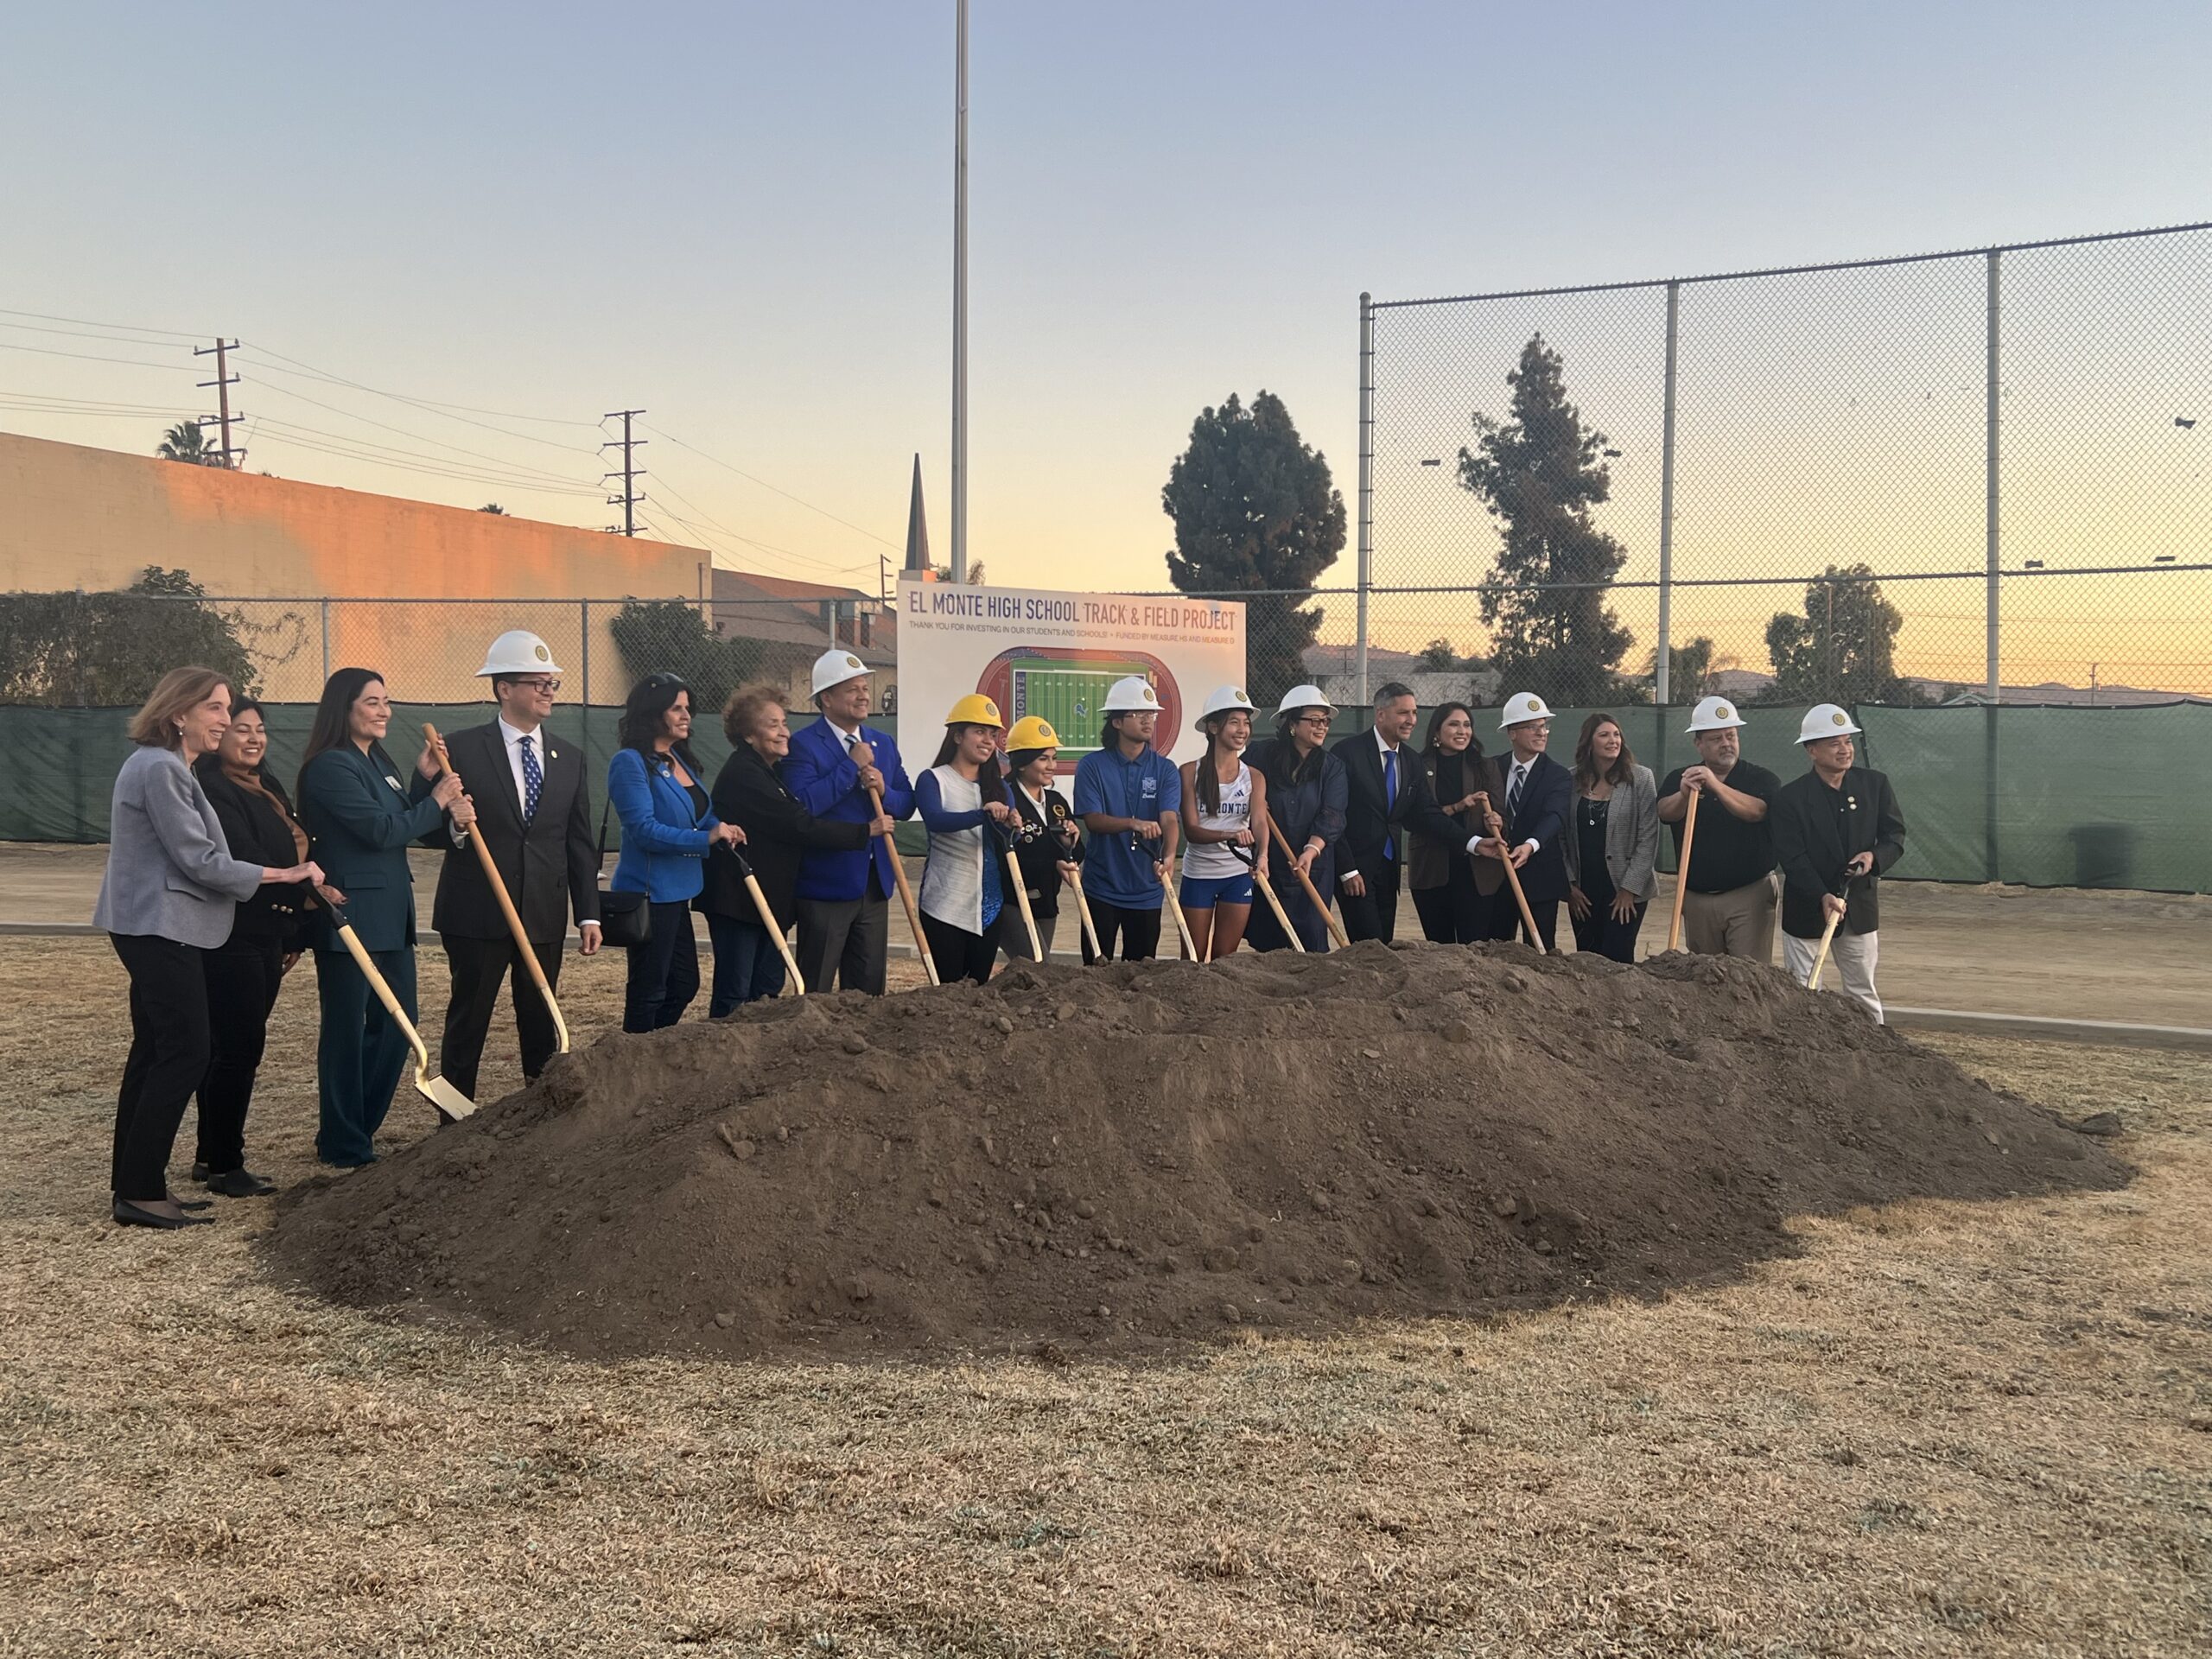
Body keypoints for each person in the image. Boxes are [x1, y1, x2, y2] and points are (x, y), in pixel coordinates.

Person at [93, 668, 325, 1226]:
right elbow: (199, 859)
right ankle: (139, 1191)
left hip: (159, 925)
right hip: (158, 926)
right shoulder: (160, 768)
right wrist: (285, 874)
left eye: (226, 707)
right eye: (215, 708)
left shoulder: (171, 767)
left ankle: (135, 1183)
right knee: (186, 1052)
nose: (226, 719)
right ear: (179, 714)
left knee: (155, 1051)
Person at [296, 667, 467, 1168]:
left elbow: (404, 816)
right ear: (344, 707)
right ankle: (344, 1142)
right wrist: (438, 799)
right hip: (350, 916)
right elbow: (379, 830)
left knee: (399, 1025)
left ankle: (356, 1128)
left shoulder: (378, 760)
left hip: (390, 915)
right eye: (372, 702)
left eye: (387, 701)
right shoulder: (330, 766)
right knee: (347, 1031)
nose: (384, 711)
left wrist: (425, 780)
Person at [429, 631, 601, 1103]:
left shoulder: (570, 759)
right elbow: (426, 827)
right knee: (468, 1023)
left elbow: (578, 842)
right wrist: (456, 826)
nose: (548, 692)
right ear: (504, 689)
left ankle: (538, 1120)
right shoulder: (459, 750)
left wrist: (588, 913)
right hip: (477, 913)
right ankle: (454, 1121)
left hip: (543, 912)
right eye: (537, 683)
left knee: (540, 1024)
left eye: (552, 684)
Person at [191, 696, 318, 1196]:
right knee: (238, 1049)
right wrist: (299, 889)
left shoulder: (265, 785)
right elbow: (246, 858)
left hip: (270, 930)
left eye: (259, 729)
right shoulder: (213, 789)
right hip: (235, 934)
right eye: (240, 729)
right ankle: (226, 1165)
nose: (253, 738)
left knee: (234, 1046)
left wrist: (294, 931)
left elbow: (297, 849)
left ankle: (210, 1154)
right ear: (217, 735)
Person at [700, 683, 884, 1013]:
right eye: (773, 725)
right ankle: (728, 1044)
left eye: (784, 723)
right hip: (739, 900)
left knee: (767, 987)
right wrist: (864, 831)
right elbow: (798, 824)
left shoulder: (772, 771)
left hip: (770, 899)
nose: (784, 732)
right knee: (736, 991)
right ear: (748, 735)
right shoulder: (744, 773)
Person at [606, 672, 744, 1033]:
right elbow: (644, 830)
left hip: (680, 892)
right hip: (650, 892)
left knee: (683, 983)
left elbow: (699, 814)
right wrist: (705, 839)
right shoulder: (630, 763)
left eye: (687, 708)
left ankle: (654, 1045)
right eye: (676, 708)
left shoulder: (678, 759)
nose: (686, 716)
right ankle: (636, 1051)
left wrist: (722, 827)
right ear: (652, 713)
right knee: (650, 989)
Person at [783, 649, 914, 995]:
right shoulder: (802, 745)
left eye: (865, 688)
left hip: (874, 885)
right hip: (826, 886)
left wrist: (884, 790)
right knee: (817, 987)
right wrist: (850, 767)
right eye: (852, 689)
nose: (863, 695)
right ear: (826, 698)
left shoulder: (883, 744)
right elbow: (803, 805)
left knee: (869, 988)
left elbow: (906, 803)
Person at [1770, 703, 1906, 1022]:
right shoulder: (1790, 798)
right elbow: (1792, 857)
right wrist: (1822, 895)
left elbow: (1894, 836)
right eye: (1834, 743)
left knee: (1862, 991)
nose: (1845, 750)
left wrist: (1873, 857)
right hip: (1806, 910)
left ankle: (1875, 1045)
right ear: (1812, 750)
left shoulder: (1875, 785)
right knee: (1803, 990)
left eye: (1848, 741)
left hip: (1858, 908)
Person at [1332, 682, 1485, 944]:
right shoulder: (1347, 753)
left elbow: (1426, 814)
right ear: (1381, 714)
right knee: (1369, 946)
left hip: (1389, 871)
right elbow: (1335, 816)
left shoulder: (1411, 761)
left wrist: (1474, 843)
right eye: (1403, 713)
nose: (1411, 720)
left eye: (1414, 713)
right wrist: (1347, 870)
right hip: (1356, 871)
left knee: (1384, 944)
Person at [1655, 696, 1780, 960]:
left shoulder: (1761, 778)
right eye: (1716, 738)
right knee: (1705, 974)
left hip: (1749, 894)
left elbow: (1757, 811)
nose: (1726, 743)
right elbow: (1665, 812)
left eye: (1731, 736)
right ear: (1698, 744)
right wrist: (1683, 794)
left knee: (1748, 973)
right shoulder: (1681, 777)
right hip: (1696, 897)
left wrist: (1715, 785)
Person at [1072, 676, 1182, 960]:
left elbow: (1169, 819)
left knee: (1141, 970)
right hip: (1101, 887)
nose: (1148, 720)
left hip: (1147, 891)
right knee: (1096, 970)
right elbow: (1093, 820)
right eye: (1138, 713)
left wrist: (1170, 855)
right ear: (1117, 722)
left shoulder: (1166, 769)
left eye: (1151, 714)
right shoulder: (1092, 766)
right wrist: (1133, 823)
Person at [916, 695, 1014, 984]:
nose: (988, 741)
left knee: (979, 989)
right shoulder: (933, 779)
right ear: (957, 736)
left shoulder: (1000, 787)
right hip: (943, 905)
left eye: (993, 735)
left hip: (989, 906)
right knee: (948, 992)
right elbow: (936, 820)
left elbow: (1009, 841)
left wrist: (1013, 827)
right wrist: (982, 815)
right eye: (979, 732)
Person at [1244, 684, 1347, 953]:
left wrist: (1311, 850)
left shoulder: (1332, 767)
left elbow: (1333, 815)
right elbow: (1235, 780)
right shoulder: (1260, 755)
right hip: (1268, 863)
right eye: (1314, 720)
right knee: (1269, 938)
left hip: (1312, 866)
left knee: (1311, 937)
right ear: (1292, 724)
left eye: (1325, 721)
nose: (1322, 726)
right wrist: (1254, 800)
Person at [1474, 691, 1573, 950]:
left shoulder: (1558, 775)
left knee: (1541, 951)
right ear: (1512, 733)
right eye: (1532, 727)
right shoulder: (1492, 768)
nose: (1541, 733)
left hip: (1540, 879)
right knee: (1496, 947)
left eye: (1544, 726)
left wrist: (1530, 845)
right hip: (1496, 877)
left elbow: (1555, 816)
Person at [1178, 686, 1269, 961]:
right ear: (1214, 727)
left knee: (1225, 959)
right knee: (1192, 958)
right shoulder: (1189, 772)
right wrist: (1230, 834)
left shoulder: (1254, 777)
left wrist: (1262, 855)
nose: (1242, 730)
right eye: (1234, 722)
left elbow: (1260, 822)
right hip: (1199, 875)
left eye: (1246, 723)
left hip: (1238, 874)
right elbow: (1192, 831)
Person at [1561, 713, 1660, 963]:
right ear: (1589, 742)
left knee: (1618, 957)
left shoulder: (1641, 778)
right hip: (1583, 892)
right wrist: (1569, 886)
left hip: (1624, 891)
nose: (1613, 740)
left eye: (1616, 735)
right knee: (1587, 958)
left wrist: (1629, 889)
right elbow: (1561, 837)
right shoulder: (1570, 780)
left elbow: (1648, 837)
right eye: (1604, 735)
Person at [1408, 702, 1502, 945]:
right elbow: (1416, 818)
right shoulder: (1416, 765)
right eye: (1454, 725)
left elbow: (1502, 814)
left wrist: (1497, 821)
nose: (1462, 731)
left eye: (1467, 725)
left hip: (1477, 872)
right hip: (1431, 869)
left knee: (1476, 946)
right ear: (1436, 732)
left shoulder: (1486, 767)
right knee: (1440, 948)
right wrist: (1457, 807)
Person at [1000, 715, 1082, 962]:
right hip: (1012, 901)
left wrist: (1070, 844)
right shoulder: (1006, 800)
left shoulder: (1057, 803)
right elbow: (1005, 857)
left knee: (1035, 973)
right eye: (1043, 759)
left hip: (1046, 902)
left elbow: (1076, 854)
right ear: (1022, 763)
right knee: (1039, 965)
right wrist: (1052, 864)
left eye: (1054, 758)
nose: (1051, 766)